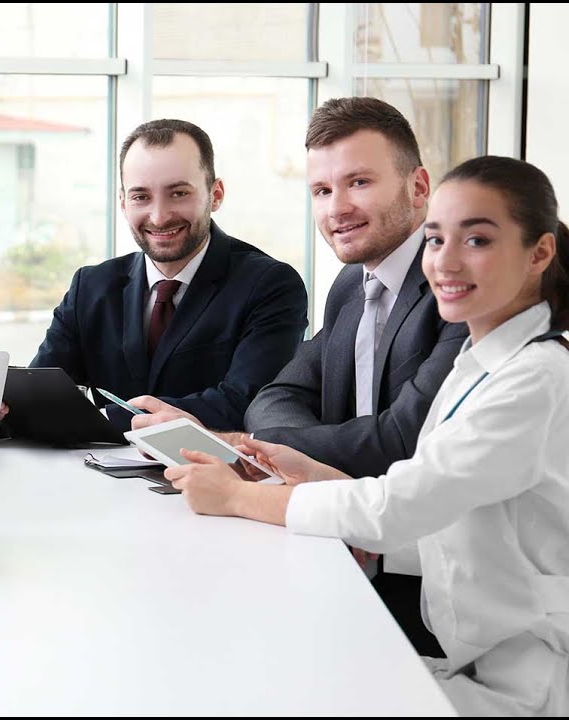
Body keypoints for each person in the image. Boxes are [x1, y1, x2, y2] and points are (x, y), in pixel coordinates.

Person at [167, 155, 569, 716]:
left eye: (476, 240)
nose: (446, 262)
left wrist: (240, 497)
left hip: (527, 685)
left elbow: (397, 507)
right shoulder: (480, 359)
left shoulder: (536, 378)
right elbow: (443, 512)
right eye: (435, 240)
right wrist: (313, 474)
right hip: (473, 663)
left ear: (540, 253)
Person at [129, 99, 468, 654]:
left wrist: (247, 447)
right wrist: (273, 449)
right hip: (346, 545)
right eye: (322, 190)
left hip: (430, 585)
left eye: (359, 181)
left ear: (418, 186)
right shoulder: (351, 287)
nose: (338, 207)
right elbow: (276, 397)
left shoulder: (456, 291)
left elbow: (402, 439)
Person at [29, 119, 308, 432]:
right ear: (123, 202)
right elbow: (39, 393)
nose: (159, 216)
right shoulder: (91, 286)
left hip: (213, 474)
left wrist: (103, 418)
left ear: (215, 195)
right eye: (141, 197)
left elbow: (245, 401)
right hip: (95, 473)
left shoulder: (270, 285)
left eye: (178, 193)